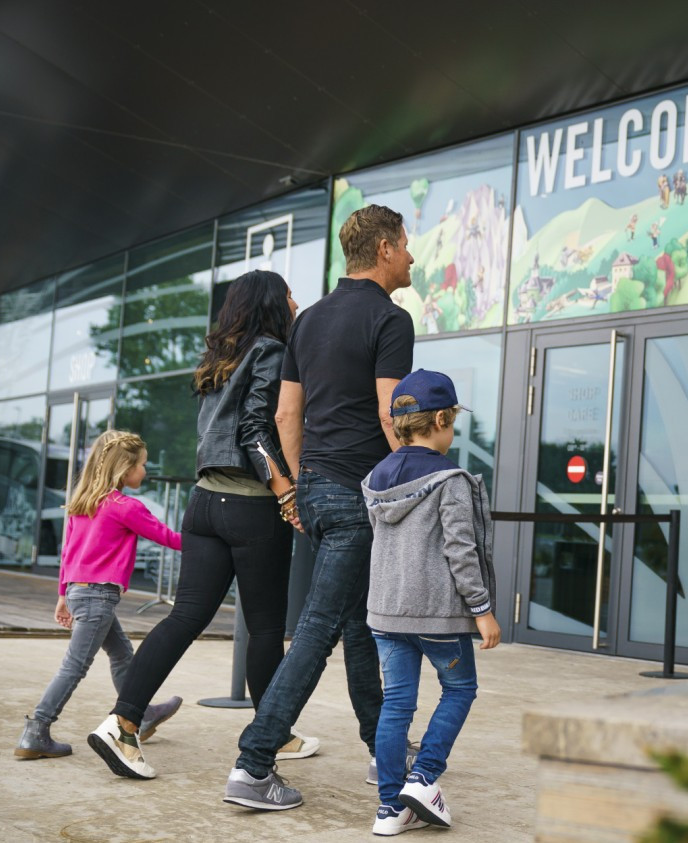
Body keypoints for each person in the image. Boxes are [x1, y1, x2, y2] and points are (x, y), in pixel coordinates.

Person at [224, 204, 416, 811]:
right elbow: (393, 415)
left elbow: (286, 415)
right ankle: (254, 764)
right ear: (385, 248)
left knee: (358, 624)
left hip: (318, 489)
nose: (413, 256)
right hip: (361, 496)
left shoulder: (306, 322)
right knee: (317, 629)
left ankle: (380, 748)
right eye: (407, 245)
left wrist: (300, 488)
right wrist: (415, 486)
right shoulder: (390, 319)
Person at [87, 270, 311, 780]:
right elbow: (257, 428)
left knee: (184, 618)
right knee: (266, 629)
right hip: (252, 506)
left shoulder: (219, 360)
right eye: (290, 295)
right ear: (272, 304)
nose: (296, 302)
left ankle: (123, 722)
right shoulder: (271, 352)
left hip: (203, 504)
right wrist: (286, 491)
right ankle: (273, 734)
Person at [362, 370, 500, 834]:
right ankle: (422, 778)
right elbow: (461, 551)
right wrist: (481, 610)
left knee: (396, 704)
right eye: (453, 420)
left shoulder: (376, 477)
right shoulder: (450, 479)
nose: (454, 429)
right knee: (459, 689)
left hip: (385, 610)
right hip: (438, 615)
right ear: (440, 418)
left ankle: (388, 810)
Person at [14, 430, 183, 760]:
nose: (145, 471)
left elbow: (69, 553)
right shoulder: (126, 507)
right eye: (143, 465)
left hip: (81, 592)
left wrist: (63, 595)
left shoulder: (84, 503)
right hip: (98, 598)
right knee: (74, 666)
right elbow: (169, 538)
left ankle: (142, 713)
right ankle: (37, 730)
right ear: (125, 467)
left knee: (121, 654)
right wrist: (211, 538)